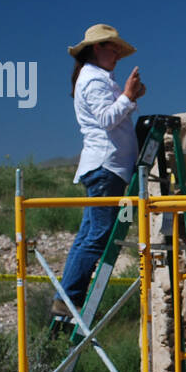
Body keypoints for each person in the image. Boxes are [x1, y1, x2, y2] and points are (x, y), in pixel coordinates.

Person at [53, 24, 145, 321]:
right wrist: (129, 97)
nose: (117, 54)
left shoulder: (96, 78)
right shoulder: (93, 80)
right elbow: (107, 119)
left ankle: (66, 298)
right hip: (107, 167)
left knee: (89, 234)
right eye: (112, 47)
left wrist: (129, 97)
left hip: (106, 167)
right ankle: (70, 299)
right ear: (97, 49)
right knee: (99, 235)